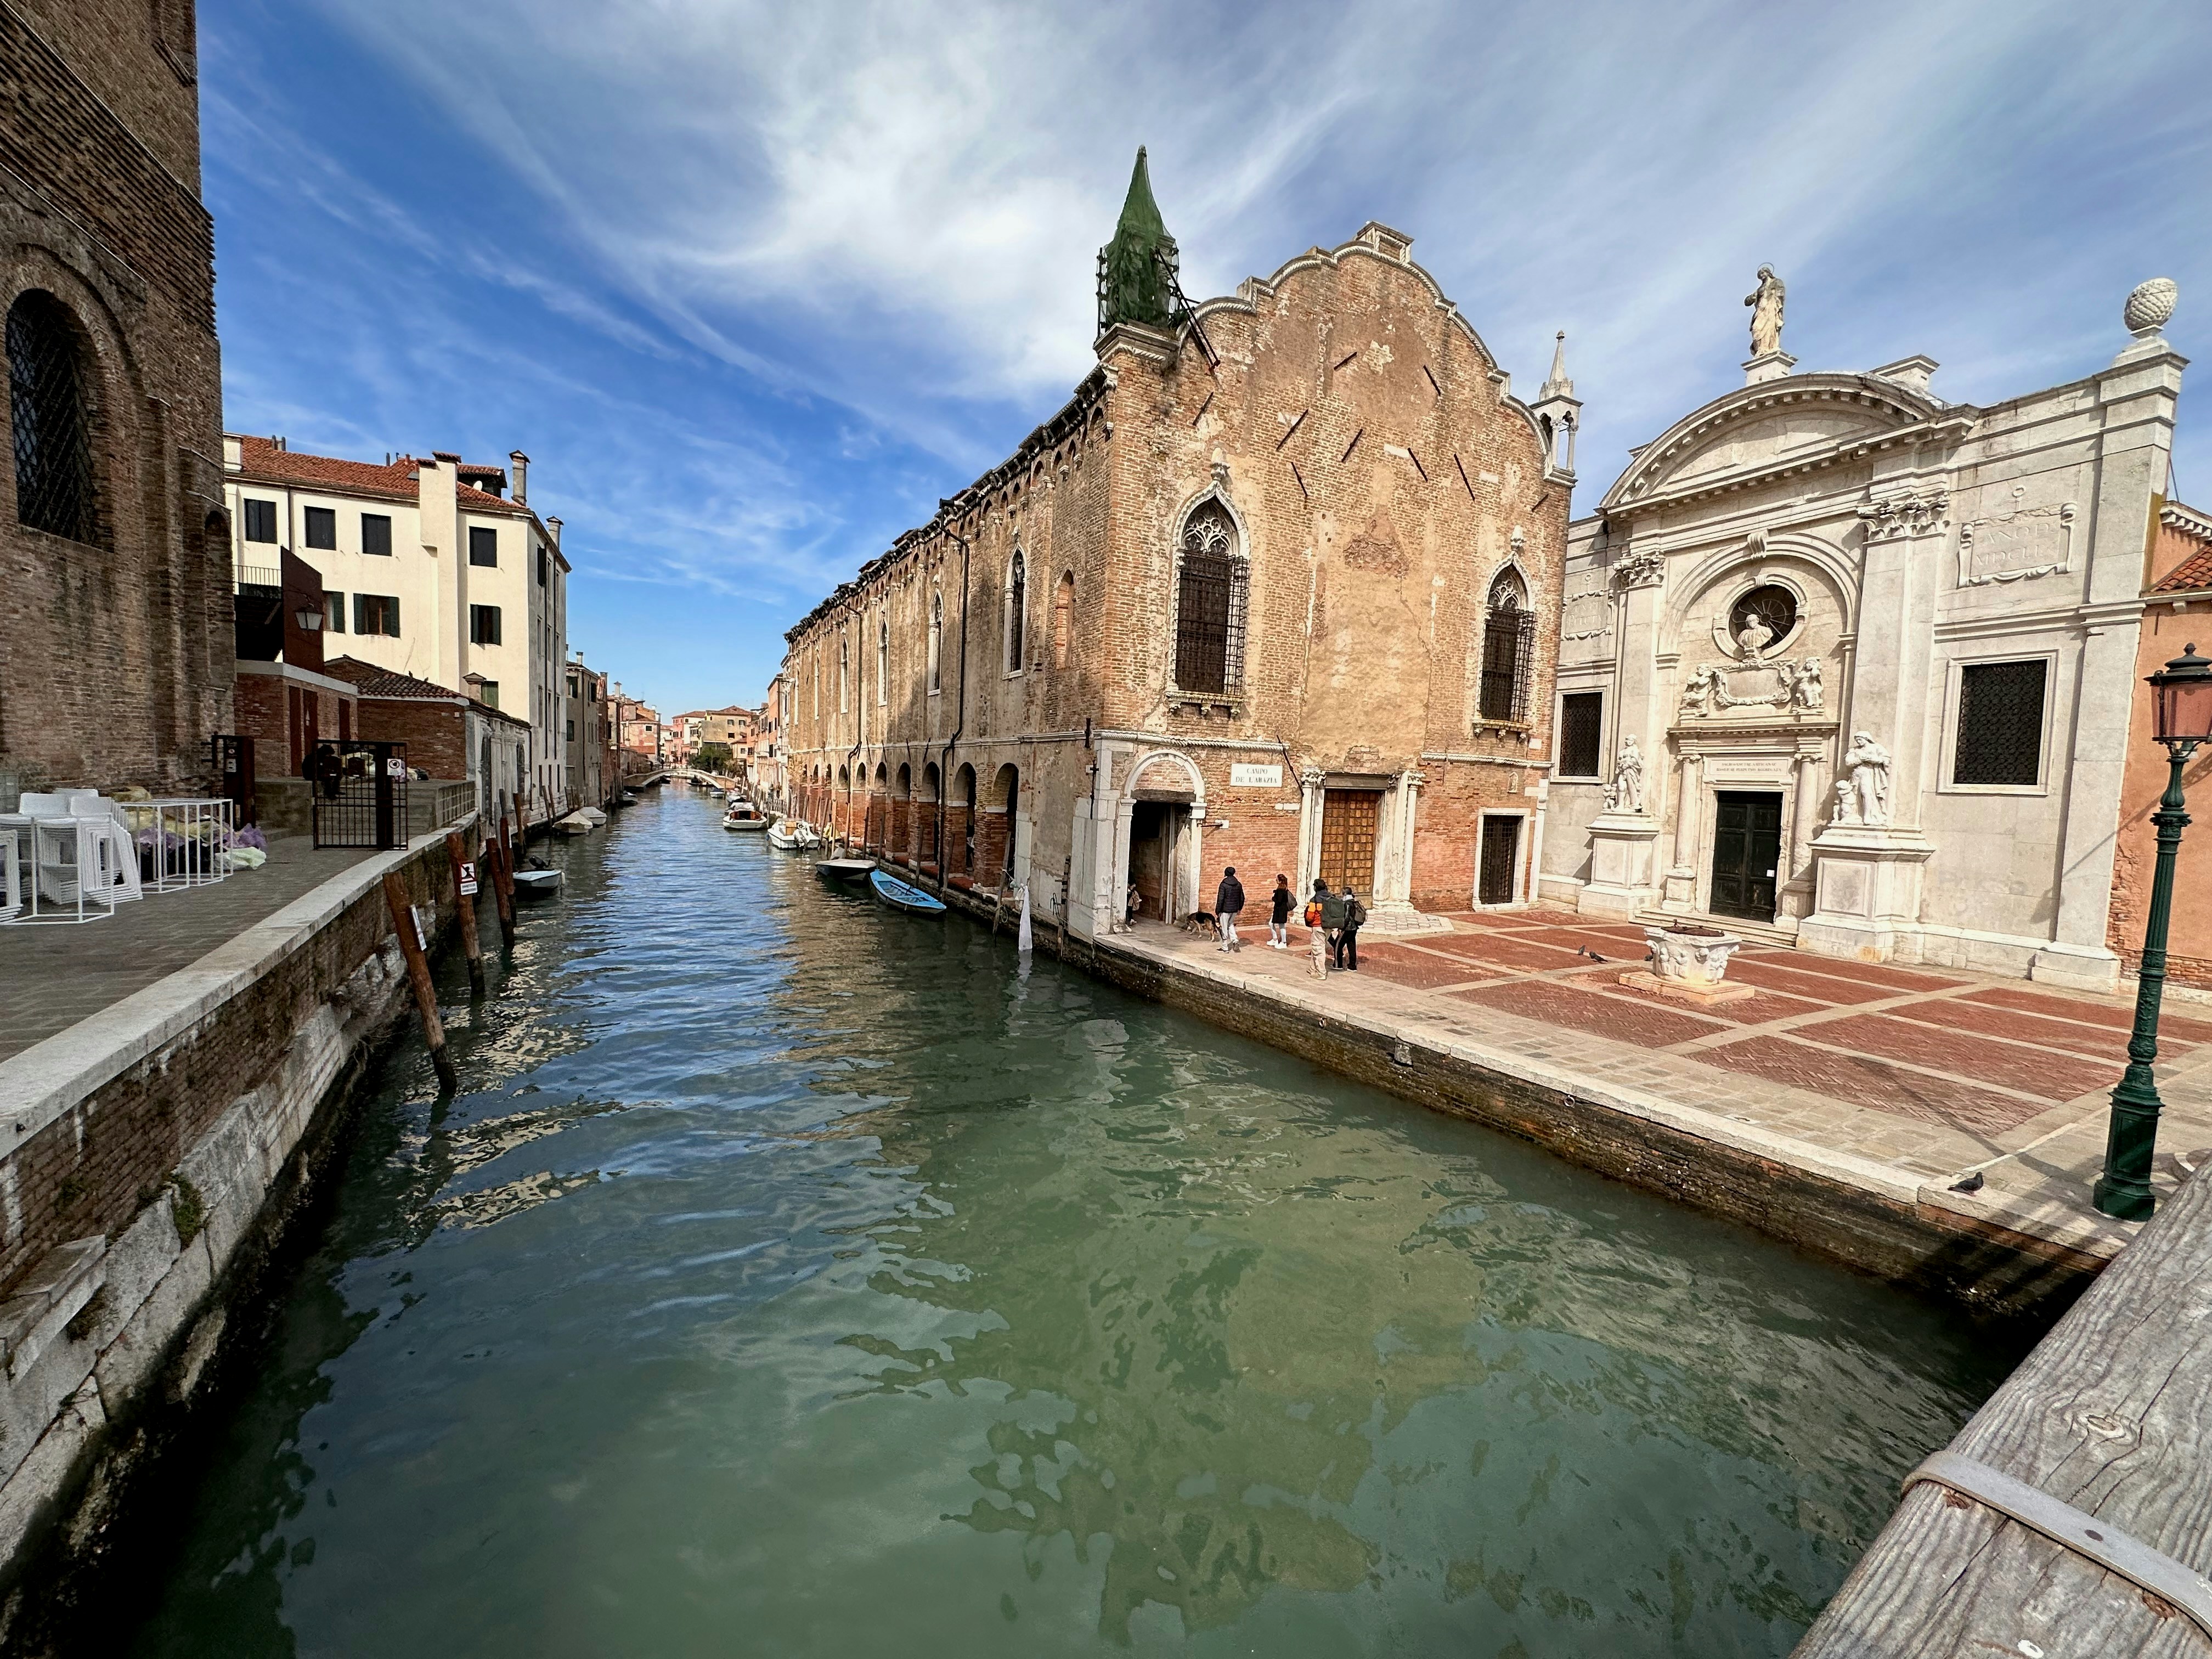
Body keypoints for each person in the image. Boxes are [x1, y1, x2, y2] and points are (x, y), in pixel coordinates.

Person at [1214, 866, 1245, 952]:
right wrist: (1240, 908)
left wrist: (1218, 910)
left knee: (1224, 927)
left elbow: (1220, 899)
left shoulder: (1224, 884)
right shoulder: (1238, 884)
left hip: (1225, 910)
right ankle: (1235, 941)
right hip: (1234, 909)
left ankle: (1225, 948)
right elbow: (1242, 898)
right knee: (1230, 925)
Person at [1318, 880, 1349, 967]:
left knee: (1325, 939)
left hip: (1326, 922)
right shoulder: (1331, 898)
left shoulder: (1324, 899)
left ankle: (1337, 962)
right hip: (1330, 922)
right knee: (1329, 938)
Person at [1305, 879, 1331, 979]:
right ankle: (1312, 968)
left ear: (1315, 888)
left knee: (1318, 949)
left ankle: (1321, 973)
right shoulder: (1330, 897)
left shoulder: (1315, 900)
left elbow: (1310, 916)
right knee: (1318, 947)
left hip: (1318, 926)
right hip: (1329, 926)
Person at [1336, 887, 1365, 971]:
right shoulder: (1354, 902)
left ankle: (1338, 965)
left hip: (1348, 928)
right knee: (1351, 946)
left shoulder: (1347, 904)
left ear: (1345, 894)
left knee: (1338, 945)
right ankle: (1352, 966)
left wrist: (1341, 928)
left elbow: (1346, 918)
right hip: (1354, 928)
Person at [1268, 874, 1293, 948]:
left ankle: (1284, 942)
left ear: (1280, 881)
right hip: (1281, 910)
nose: (1276, 880)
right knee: (1271, 923)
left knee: (1281, 926)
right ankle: (1275, 939)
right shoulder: (1284, 888)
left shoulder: (1281, 890)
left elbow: (1279, 901)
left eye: (1277, 879)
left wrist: (1273, 898)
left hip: (1280, 910)